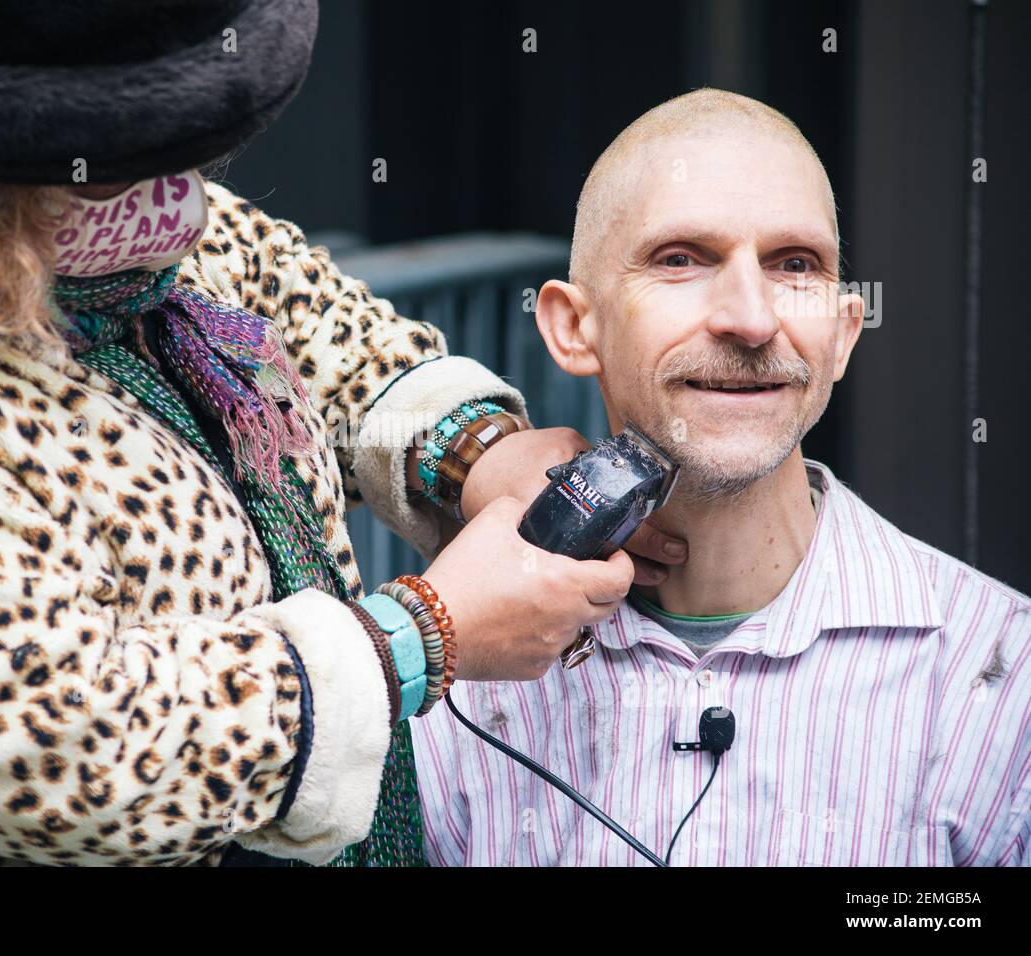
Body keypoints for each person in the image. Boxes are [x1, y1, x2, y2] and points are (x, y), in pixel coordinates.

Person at [0, 0, 677, 866]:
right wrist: (423, 637)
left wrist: (476, 452)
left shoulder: (97, 211)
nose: (185, 197)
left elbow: (301, 312)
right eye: (129, 153)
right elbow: (64, 750)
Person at [412, 88, 1030, 867]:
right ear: (574, 326)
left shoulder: (1002, 681)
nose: (751, 318)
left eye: (794, 265)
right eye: (682, 261)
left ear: (841, 337)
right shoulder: (454, 678)